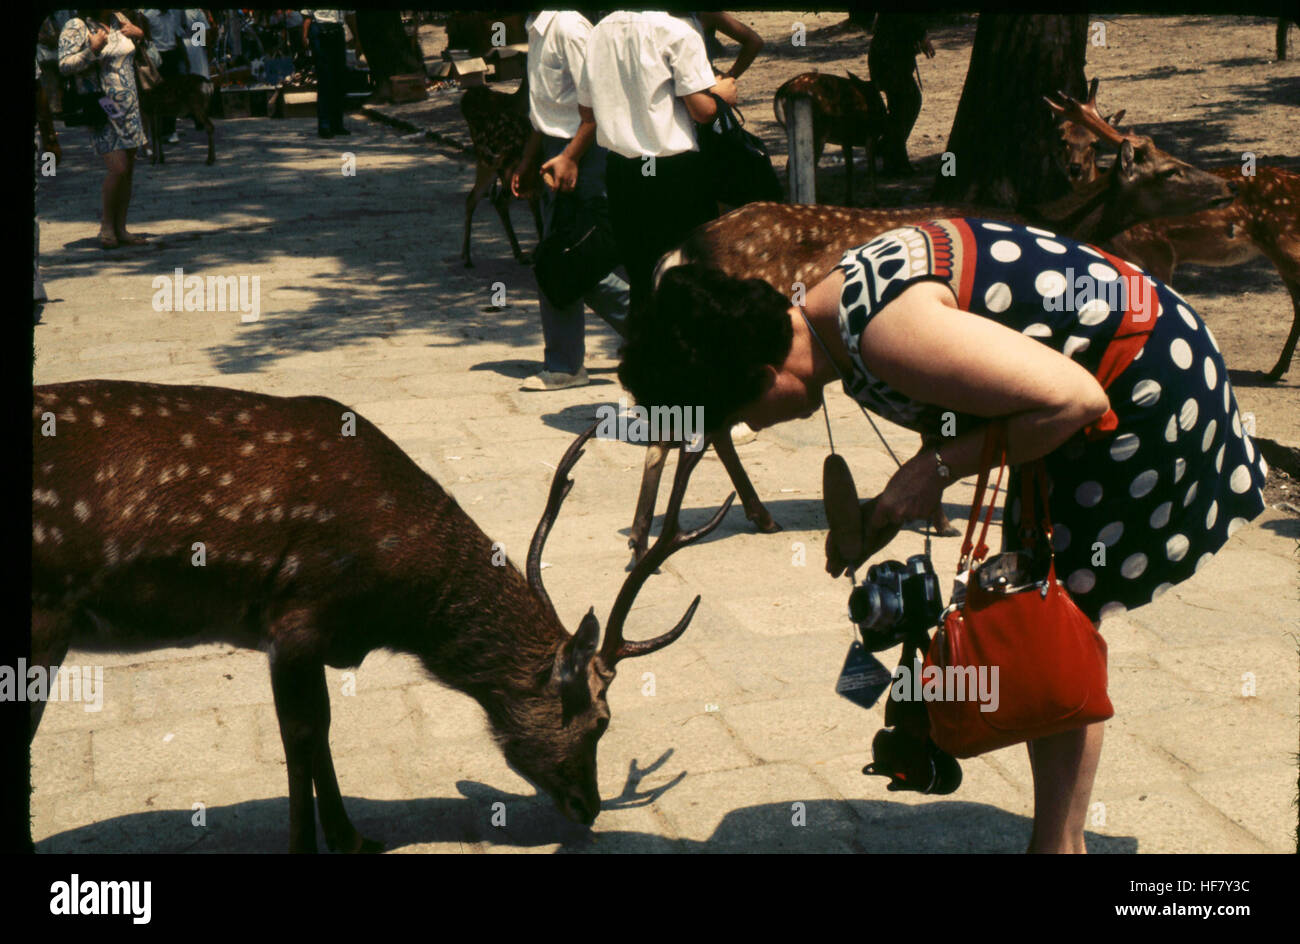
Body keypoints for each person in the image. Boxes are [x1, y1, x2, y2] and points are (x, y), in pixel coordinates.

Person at [618, 217, 1268, 853]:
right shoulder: (829, 312)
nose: (755, 431)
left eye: (740, 417)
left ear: (763, 375)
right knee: (1038, 604)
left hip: (1143, 381)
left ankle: (1060, 846)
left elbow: (1075, 402)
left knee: (1056, 619)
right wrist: (887, 511)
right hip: (1102, 382)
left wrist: (931, 469)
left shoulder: (883, 334)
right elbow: (979, 393)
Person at [575, 10, 738, 319]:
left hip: (623, 172)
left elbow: (586, 111)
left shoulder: (601, 31)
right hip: (674, 172)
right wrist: (721, 95)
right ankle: (688, 357)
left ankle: (646, 357)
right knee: (688, 274)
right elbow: (702, 111)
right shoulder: (678, 30)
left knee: (640, 275)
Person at [511, 10, 630, 391]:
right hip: (553, 148)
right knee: (556, 255)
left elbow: (598, 105)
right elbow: (544, 110)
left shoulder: (569, 28)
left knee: (573, 255)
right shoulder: (536, 30)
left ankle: (650, 326)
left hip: (583, 152)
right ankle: (565, 361)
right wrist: (530, 159)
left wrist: (572, 157)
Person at [60, 10, 150, 249]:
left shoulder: (118, 18)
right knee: (118, 167)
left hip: (129, 105)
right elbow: (64, 65)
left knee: (129, 168)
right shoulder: (77, 25)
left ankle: (121, 228)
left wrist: (140, 34)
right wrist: (92, 50)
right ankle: (107, 226)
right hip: (102, 104)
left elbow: (137, 51)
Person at [867, 13, 933, 176]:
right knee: (908, 104)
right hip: (890, 60)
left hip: (888, 57)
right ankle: (891, 153)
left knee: (901, 107)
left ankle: (893, 154)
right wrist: (923, 37)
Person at [301, 10, 356, 138]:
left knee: (339, 79)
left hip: (337, 30)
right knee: (325, 78)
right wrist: (304, 36)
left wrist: (356, 37)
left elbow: (350, 16)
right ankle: (324, 125)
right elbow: (307, 17)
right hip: (319, 31)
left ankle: (337, 124)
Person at [140, 9, 186, 142]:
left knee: (173, 95)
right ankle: (157, 131)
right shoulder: (149, 16)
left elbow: (177, 35)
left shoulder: (173, 14)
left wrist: (185, 58)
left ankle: (171, 130)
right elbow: (147, 39)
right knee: (157, 95)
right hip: (157, 57)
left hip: (172, 55)